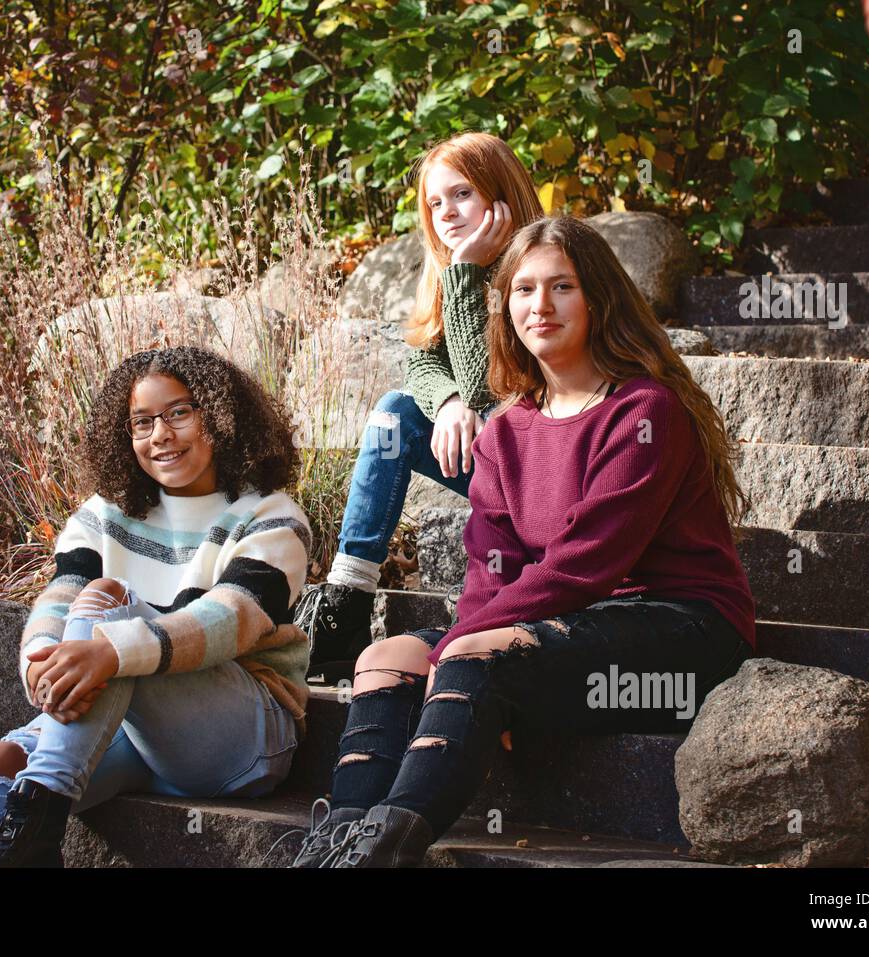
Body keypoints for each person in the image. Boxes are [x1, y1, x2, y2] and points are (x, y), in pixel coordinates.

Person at [279, 214, 757, 867]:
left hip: (680, 630)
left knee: (471, 653)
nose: (540, 305)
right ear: (504, 308)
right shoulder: (505, 429)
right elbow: (490, 575)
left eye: (561, 286)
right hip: (562, 627)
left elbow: (581, 568)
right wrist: (458, 648)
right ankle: (332, 847)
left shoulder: (645, 411)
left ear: (598, 297)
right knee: (383, 657)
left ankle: (379, 857)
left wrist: (461, 655)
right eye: (524, 290)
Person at [0, 346, 312, 867]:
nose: (160, 434)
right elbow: (60, 595)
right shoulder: (103, 515)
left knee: (108, 601)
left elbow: (232, 619)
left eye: (178, 412)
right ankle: (21, 830)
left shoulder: (269, 515)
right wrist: (44, 663)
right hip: (131, 733)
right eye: (141, 422)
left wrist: (109, 653)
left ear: (220, 416)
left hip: (241, 735)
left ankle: (39, 822)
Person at [297, 131, 545, 682]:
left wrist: (464, 273)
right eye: (434, 203)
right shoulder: (453, 269)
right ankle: (346, 603)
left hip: (540, 478)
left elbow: (492, 386)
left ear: (501, 193)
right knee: (395, 412)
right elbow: (424, 363)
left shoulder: (540, 275)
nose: (446, 213)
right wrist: (450, 400)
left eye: (461, 195)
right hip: (491, 458)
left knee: (403, 410)